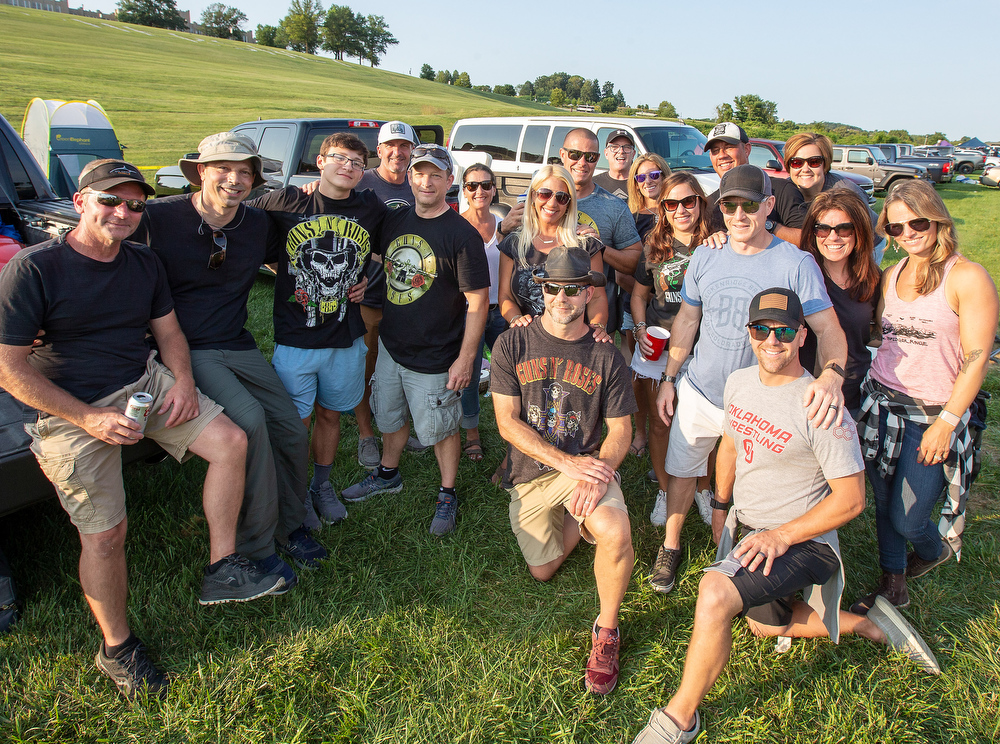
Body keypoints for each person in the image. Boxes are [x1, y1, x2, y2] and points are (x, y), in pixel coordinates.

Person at [0, 159, 284, 699]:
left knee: (231, 442)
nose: (123, 212)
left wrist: (182, 381)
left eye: (134, 204)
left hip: (142, 384)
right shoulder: (35, 268)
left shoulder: (144, 262)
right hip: (70, 408)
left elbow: (169, 331)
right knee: (106, 535)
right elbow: (8, 367)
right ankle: (117, 647)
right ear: (80, 202)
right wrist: (87, 417)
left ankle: (222, 567)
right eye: (109, 200)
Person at [630, 288, 940, 744]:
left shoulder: (820, 405)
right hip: (750, 530)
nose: (772, 340)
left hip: (806, 540)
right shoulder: (738, 382)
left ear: (802, 337)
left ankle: (679, 719)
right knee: (763, 625)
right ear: (749, 334)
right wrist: (720, 507)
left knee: (715, 593)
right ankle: (865, 623)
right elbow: (731, 445)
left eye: (784, 330)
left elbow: (851, 500)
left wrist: (781, 537)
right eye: (761, 329)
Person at [133, 132, 325, 587]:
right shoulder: (157, 218)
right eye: (224, 169)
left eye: (245, 172)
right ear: (201, 171)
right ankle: (256, 547)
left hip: (236, 342)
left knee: (290, 424)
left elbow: (302, 254)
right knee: (251, 423)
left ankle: (290, 522)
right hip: (184, 346)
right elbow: (105, 253)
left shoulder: (256, 224)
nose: (235, 180)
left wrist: (353, 281)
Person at [650, 164, 848, 595]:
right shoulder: (705, 255)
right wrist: (668, 377)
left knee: (757, 483)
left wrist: (832, 375)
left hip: (761, 400)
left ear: (769, 205)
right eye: (729, 206)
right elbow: (687, 319)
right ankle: (671, 545)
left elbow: (828, 330)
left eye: (750, 205)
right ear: (719, 209)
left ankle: (753, 550)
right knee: (681, 469)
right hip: (701, 388)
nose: (739, 215)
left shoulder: (796, 263)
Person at [490, 246, 637, 696]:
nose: (561, 298)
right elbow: (506, 422)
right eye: (553, 288)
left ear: (588, 294)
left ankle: (606, 632)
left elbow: (621, 431)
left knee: (615, 531)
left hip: (586, 464)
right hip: (532, 473)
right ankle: (578, 519)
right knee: (543, 570)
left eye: (572, 290)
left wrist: (598, 471)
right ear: (542, 289)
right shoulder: (512, 343)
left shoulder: (606, 355)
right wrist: (564, 462)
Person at [850, 180, 998, 613]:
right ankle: (893, 582)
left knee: (909, 517)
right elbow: (883, 337)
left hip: (933, 415)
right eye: (896, 228)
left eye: (917, 223)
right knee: (883, 501)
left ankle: (934, 550)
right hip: (881, 404)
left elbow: (977, 358)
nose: (908, 233)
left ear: (938, 220)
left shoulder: (967, 277)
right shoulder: (892, 275)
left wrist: (947, 422)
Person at [341, 145, 490, 536]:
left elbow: (478, 302)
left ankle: (447, 492)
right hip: (392, 347)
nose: (426, 182)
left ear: (449, 181)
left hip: (436, 355)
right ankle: (388, 473)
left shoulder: (462, 235)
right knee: (389, 416)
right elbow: (376, 255)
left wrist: (465, 359)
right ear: (409, 177)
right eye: (420, 173)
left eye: (436, 175)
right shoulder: (396, 219)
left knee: (442, 428)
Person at [252, 133, 384, 527]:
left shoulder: (370, 206)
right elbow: (240, 221)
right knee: (297, 421)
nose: (348, 167)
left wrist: (364, 276)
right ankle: (294, 492)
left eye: (357, 163)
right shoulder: (286, 201)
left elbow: (387, 247)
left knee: (331, 414)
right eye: (340, 158)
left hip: (345, 336)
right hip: (296, 338)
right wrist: (290, 273)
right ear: (321, 161)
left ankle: (320, 486)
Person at [629, 172, 711, 527]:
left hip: (703, 350)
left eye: (688, 201)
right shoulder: (653, 245)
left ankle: (704, 490)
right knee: (661, 423)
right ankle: (665, 490)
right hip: (658, 347)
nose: (681, 210)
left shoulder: (717, 243)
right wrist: (640, 329)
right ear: (662, 208)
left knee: (704, 427)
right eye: (671, 203)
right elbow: (638, 295)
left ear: (700, 203)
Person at [353, 120, 428, 464]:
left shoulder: (419, 184)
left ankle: (396, 428)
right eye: (391, 146)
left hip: (408, 298)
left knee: (400, 368)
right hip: (369, 295)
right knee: (365, 368)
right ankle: (365, 434)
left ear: (412, 150)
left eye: (404, 146)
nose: (398, 152)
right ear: (379, 149)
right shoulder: (361, 182)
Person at [797, 189, 882, 416]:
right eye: (822, 229)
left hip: (856, 394)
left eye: (844, 229)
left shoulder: (873, 279)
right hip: (807, 395)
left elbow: (879, 333)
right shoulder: (800, 275)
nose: (833, 237)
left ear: (859, 231)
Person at [498, 164, 608, 333]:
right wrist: (516, 319)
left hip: (571, 337)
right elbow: (505, 296)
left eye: (561, 197)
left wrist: (597, 327)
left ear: (569, 203)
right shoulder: (514, 243)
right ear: (533, 196)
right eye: (545, 194)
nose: (552, 203)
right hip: (524, 335)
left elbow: (597, 297)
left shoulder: (586, 245)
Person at [560, 128, 643, 334]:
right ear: (562, 154)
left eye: (590, 157)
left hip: (595, 316)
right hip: (547, 310)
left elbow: (635, 260)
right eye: (575, 154)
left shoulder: (613, 207)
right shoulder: (543, 199)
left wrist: (600, 248)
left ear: (598, 158)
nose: (582, 162)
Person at [622, 153, 672, 461]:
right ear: (635, 183)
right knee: (640, 375)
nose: (648, 181)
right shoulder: (630, 217)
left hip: (674, 310)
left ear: (665, 175)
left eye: (655, 174)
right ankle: (641, 431)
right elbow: (623, 272)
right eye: (641, 177)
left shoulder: (678, 211)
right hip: (639, 305)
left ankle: (668, 429)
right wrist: (650, 297)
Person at [457, 164, 506, 462]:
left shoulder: (504, 225)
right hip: (468, 313)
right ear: (464, 190)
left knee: (509, 373)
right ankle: (471, 433)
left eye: (486, 185)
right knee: (470, 375)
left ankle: (511, 427)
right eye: (472, 186)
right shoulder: (455, 225)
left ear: (494, 189)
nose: (479, 191)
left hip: (501, 311)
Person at [782, 132, 884, 262]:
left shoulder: (847, 192)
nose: (805, 169)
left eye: (814, 162)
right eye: (797, 162)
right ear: (788, 166)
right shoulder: (784, 191)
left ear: (825, 164)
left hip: (866, 244)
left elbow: (863, 236)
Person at [702, 122, 806, 245]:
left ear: (747, 149)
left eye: (729, 147)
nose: (722, 155)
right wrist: (714, 239)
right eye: (715, 151)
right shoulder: (710, 204)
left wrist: (766, 226)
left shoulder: (782, 190)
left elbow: (806, 241)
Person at [593, 128, 636, 200]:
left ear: (633, 154)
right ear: (606, 153)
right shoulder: (593, 185)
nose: (621, 151)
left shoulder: (642, 184)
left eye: (627, 147)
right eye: (615, 147)